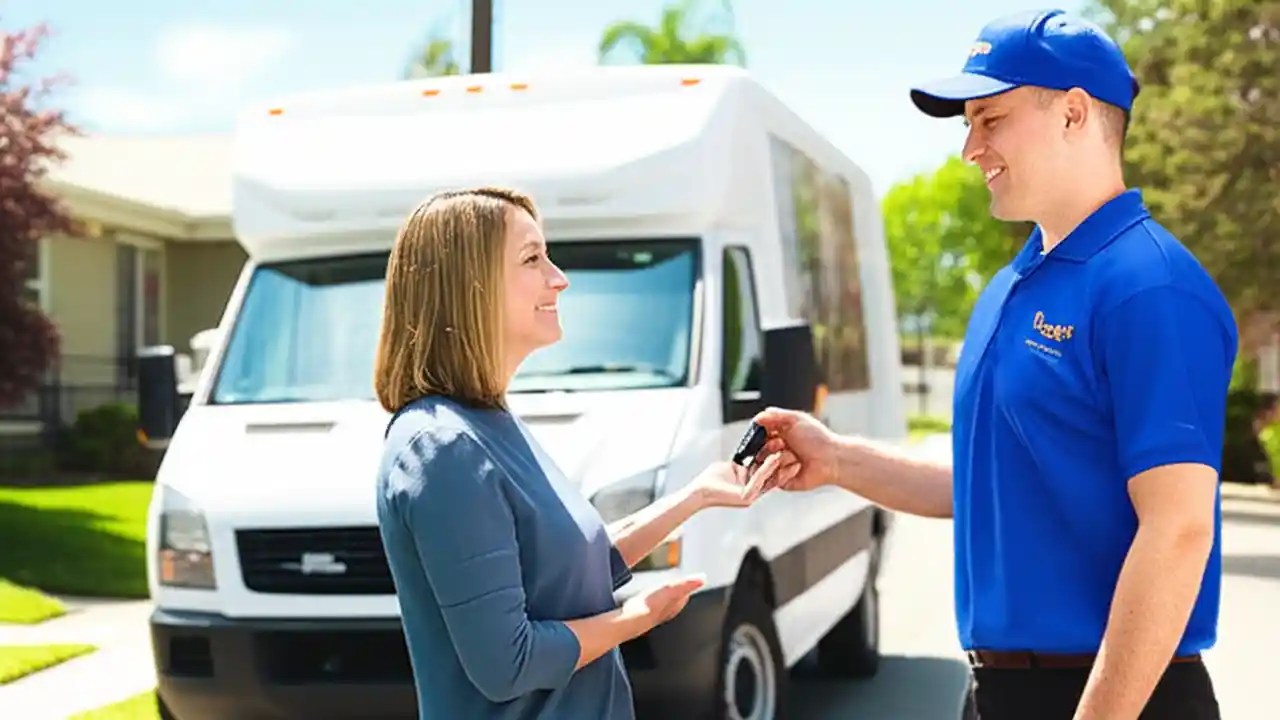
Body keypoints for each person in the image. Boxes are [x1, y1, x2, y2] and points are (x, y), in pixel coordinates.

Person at [754, 9, 1236, 720]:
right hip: (999, 695)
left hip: (1121, 697)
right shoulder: (1012, 289)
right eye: (967, 125)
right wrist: (836, 460)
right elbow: (990, 484)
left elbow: (1178, 528)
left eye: (991, 119)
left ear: (1074, 113)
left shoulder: (1149, 286)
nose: (970, 149)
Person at [371, 186, 793, 720]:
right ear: (467, 286)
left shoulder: (490, 424)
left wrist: (697, 495)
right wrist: (638, 617)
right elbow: (509, 663)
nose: (558, 277)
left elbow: (574, 565)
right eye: (532, 258)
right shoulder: (440, 448)